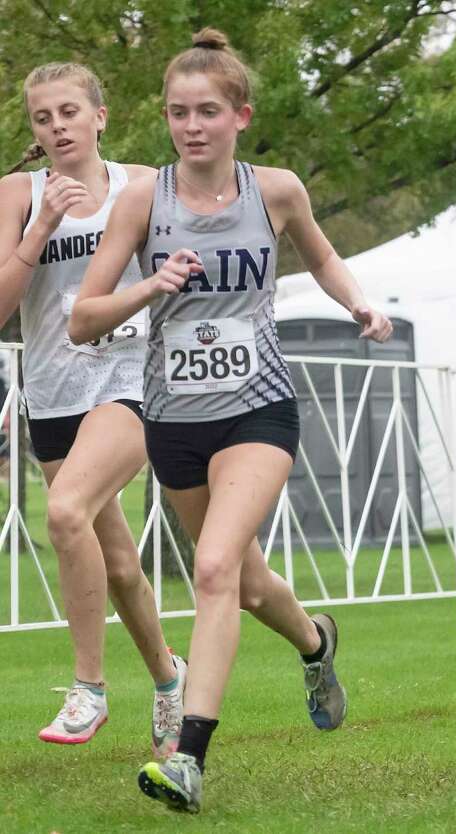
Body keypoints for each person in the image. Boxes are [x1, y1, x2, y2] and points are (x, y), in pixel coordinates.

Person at [69, 29, 393, 813]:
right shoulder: (145, 201)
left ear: (240, 115)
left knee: (214, 568)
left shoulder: (275, 190)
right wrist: (150, 289)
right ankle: (316, 644)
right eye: (179, 112)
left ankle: (188, 760)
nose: (191, 126)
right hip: (174, 419)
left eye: (207, 111)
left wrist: (357, 300)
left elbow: (319, 254)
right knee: (245, 582)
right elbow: (83, 319)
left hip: (259, 409)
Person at [0, 62, 185, 754]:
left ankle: (88, 689)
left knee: (64, 510)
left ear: (99, 116)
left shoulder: (144, 187)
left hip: (132, 376)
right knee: (114, 561)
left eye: (70, 112)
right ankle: (170, 679)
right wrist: (40, 223)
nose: (58, 127)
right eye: (44, 118)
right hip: (52, 393)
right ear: (34, 129)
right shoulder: (16, 194)